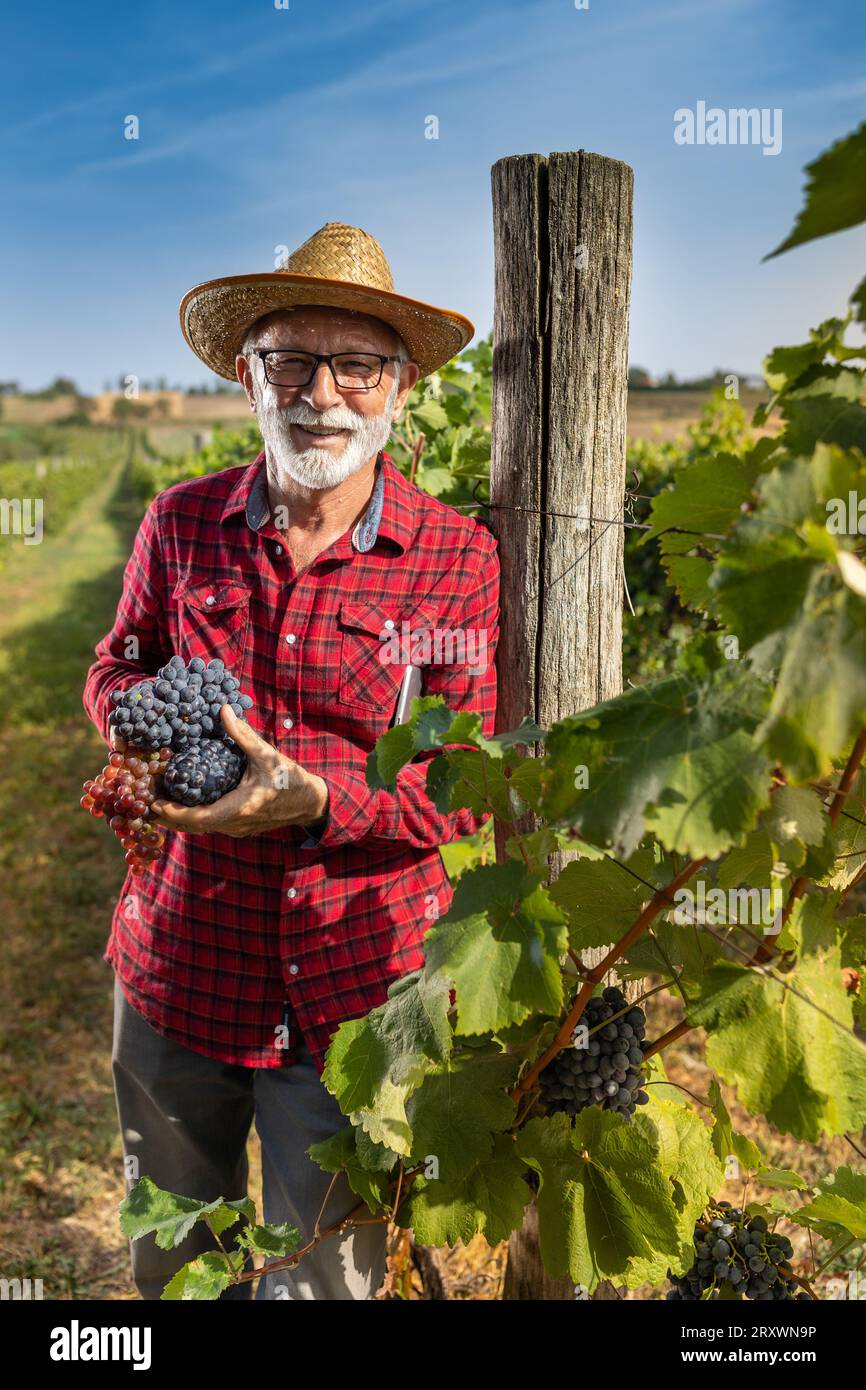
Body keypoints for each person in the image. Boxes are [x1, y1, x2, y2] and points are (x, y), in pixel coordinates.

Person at [83, 221, 501, 1300]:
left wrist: (316, 801)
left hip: (356, 989)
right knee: (176, 1257)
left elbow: (460, 781)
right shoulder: (181, 526)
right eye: (290, 360)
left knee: (326, 1282)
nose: (323, 391)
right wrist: (139, 731)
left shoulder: (454, 561)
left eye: (356, 364)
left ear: (398, 388)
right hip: (182, 959)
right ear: (246, 375)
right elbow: (118, 665)